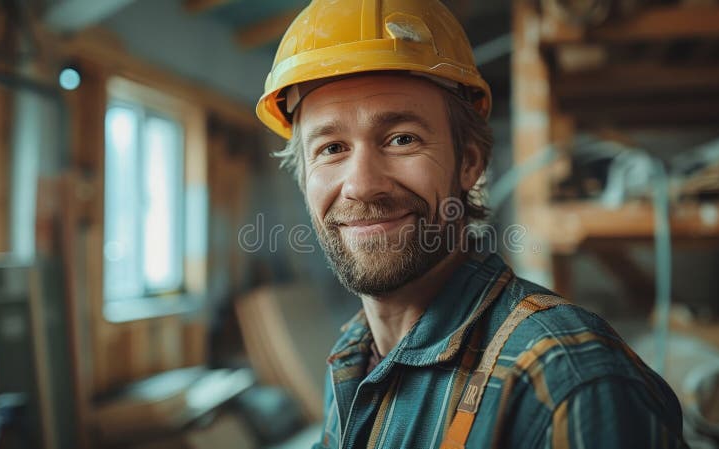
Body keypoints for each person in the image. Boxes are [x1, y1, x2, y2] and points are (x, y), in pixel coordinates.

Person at [255, 1, 687, 448]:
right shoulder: (351, 356)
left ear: (470, 163)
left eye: (402, 139)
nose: (362, 186)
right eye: (330, 148)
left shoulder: (569, 383)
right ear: (304, 177)